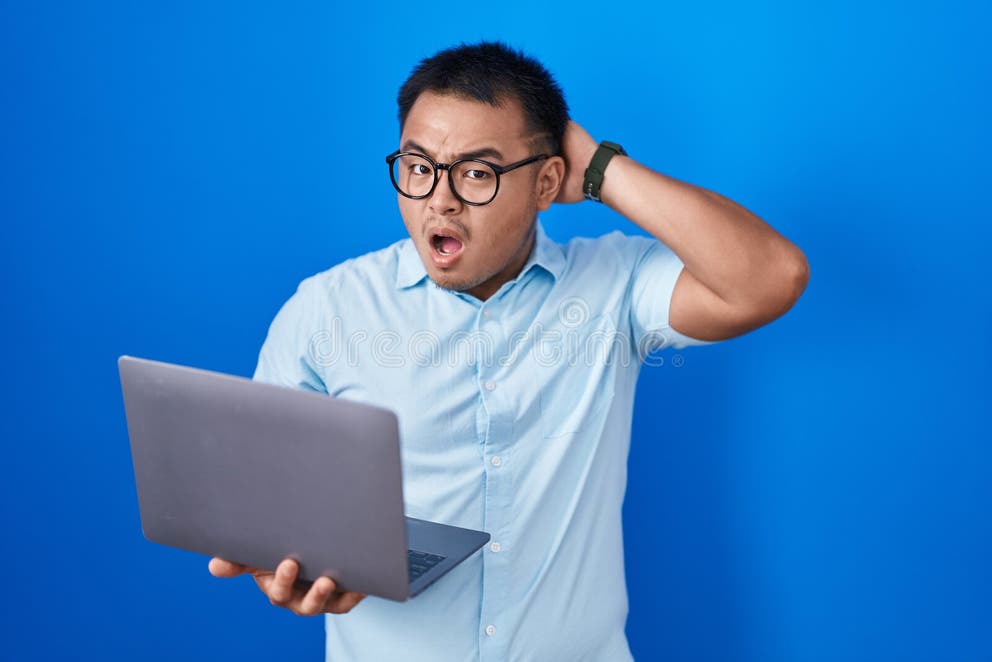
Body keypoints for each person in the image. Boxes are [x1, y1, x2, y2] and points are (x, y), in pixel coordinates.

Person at [209, 41, 809, 660]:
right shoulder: (325, 310)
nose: (438, 200)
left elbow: (771, 277)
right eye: (418, 166)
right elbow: (273, 509)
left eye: (476, 172)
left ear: (547, 182)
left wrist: (601, 168)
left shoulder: (613, 286)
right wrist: (286, 567)